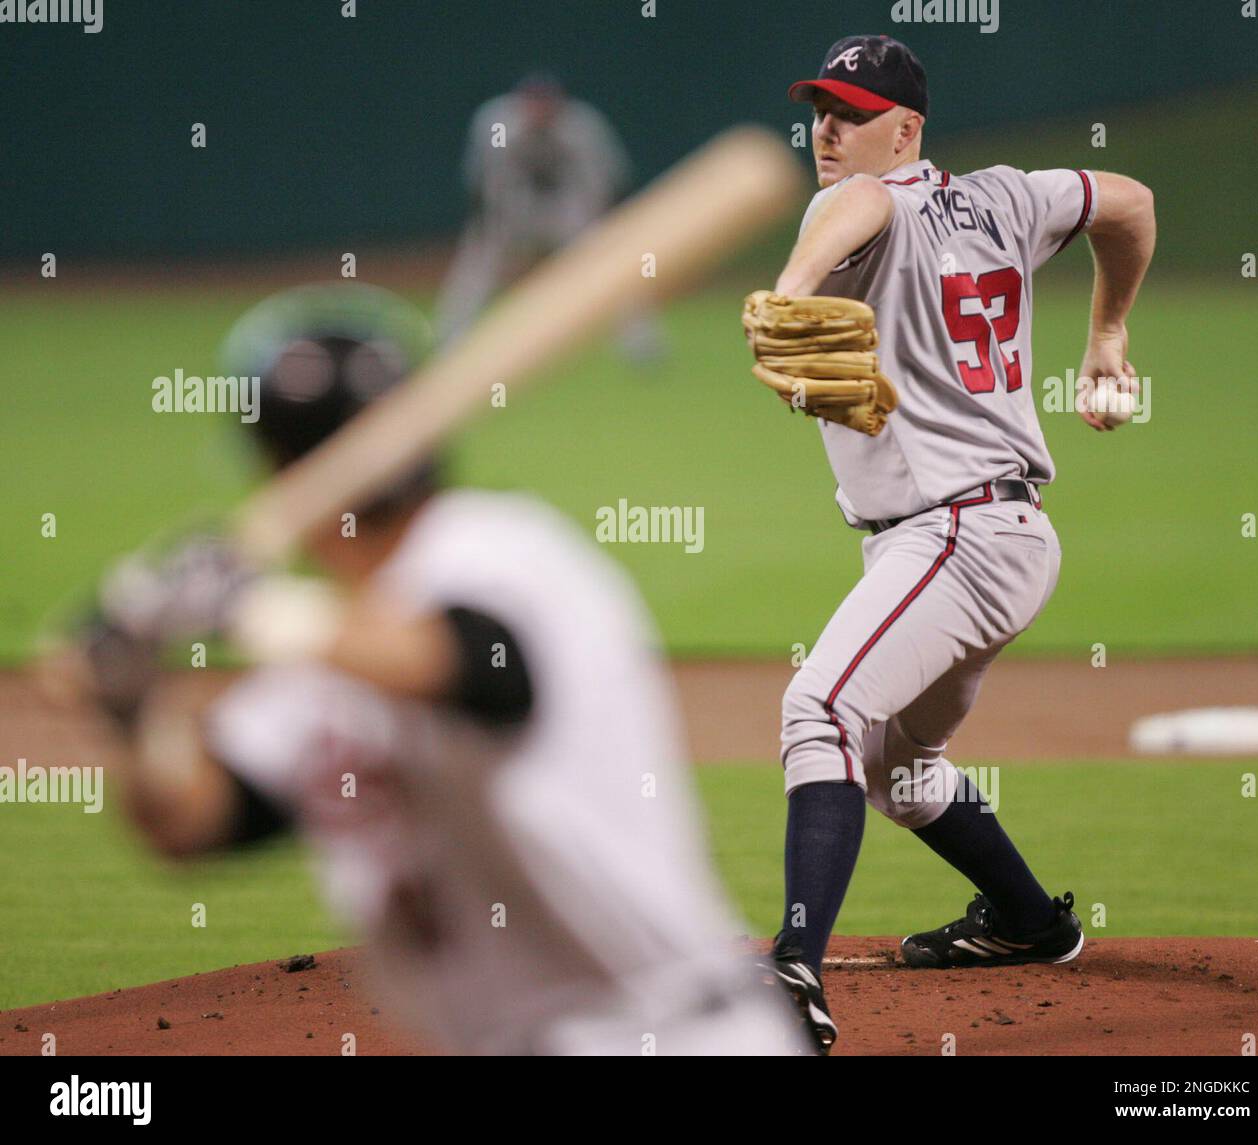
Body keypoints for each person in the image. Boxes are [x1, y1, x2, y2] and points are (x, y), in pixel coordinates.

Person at [51, 284, 802, 1056]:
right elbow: (195, 821)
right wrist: (136, 714)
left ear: (276, 465)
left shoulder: (499, 550)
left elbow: (475, 667)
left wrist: (248, 607)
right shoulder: (327, 660)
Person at [749, 35, 1156, 1053]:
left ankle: (792, 972)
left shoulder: (851, 200)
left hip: (956, 534)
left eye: (851, 112)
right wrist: (1106, 336)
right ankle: (1030, 922)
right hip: (992, 536)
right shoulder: (1011, 198)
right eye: (820, 111)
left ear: (907, 128)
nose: (829, 131)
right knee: (899, 767)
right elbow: (1132, 201)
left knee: (821, 708)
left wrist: (795, 279)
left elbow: (864, 209)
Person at [435, 74, 663, 360]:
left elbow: (607, 181)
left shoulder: (582, 126)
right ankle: (449, 343)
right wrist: (488, 226)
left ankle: (640, 344)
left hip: (567, 209)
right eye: (533, 102)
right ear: (520, 103)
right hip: (512, 207)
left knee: (610, 264)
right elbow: (482, 180)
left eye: (546, 103)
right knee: (476, 267)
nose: (539, 110)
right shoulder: (495, 121)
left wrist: (604, 229)